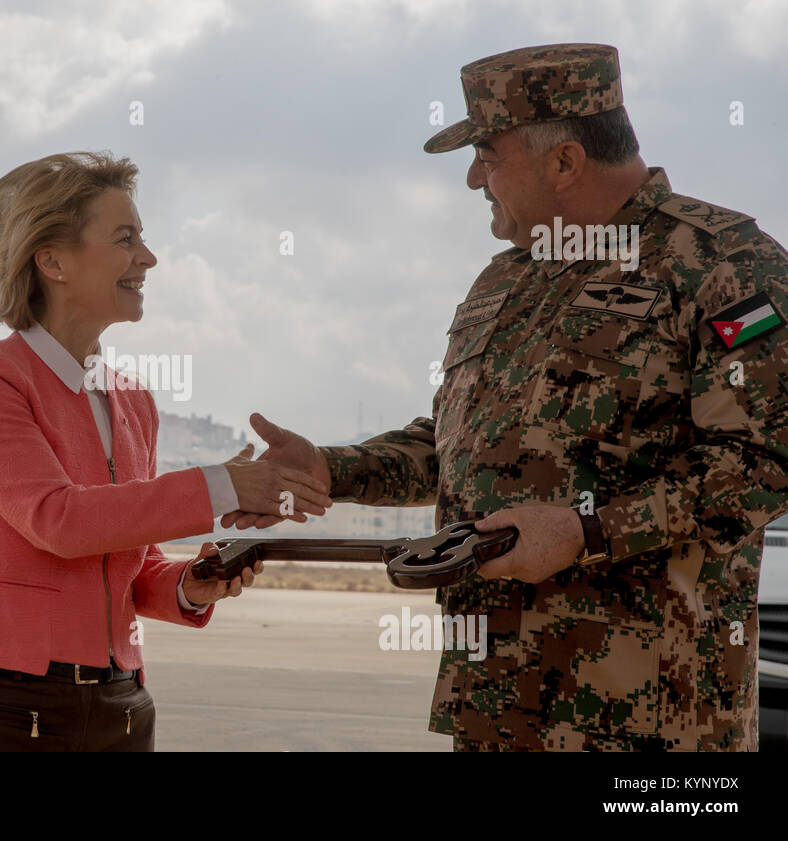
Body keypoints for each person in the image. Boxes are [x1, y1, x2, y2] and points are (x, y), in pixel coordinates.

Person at [224, 43, 788, 751]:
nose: (472, 178)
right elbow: (458, 445)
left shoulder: (724, 264)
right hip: (496, 704)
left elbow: (766, 463)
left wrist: (585, 531)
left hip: (649, 722)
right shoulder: (506, 279)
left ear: (565, 162)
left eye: (487, 154)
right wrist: (333, 470)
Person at [0, 151, 333, 751]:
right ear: (52, 260)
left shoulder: (133, 400)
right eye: (125, 238)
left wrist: (190, 584)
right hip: (1, 703)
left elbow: (129, 563)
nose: (148, 258)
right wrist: (225, 486)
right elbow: (59, 521)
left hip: (119, 705)